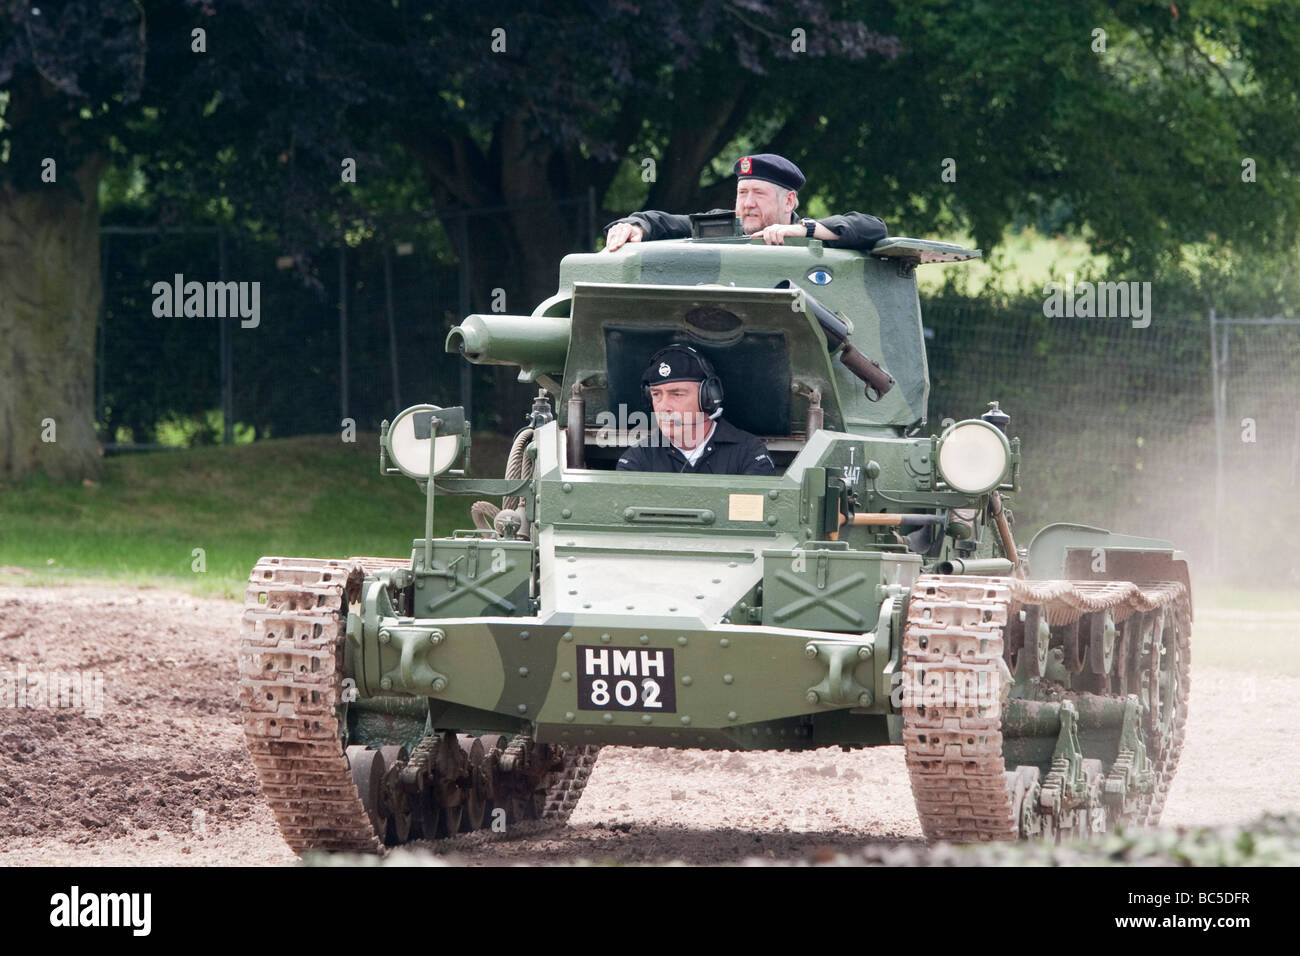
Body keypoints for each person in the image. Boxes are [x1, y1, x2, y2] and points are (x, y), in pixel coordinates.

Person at [603, 153, 887, 252]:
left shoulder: (810, 235)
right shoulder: (725, 227)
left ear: (789, 201)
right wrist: (635, 225)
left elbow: (874, 228)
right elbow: (667, 223)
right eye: (742, 193)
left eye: (758, 194)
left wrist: (805, 231)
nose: (747, 203)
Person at [617, 344, 775, 475]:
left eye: (677, 394)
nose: (663, 406)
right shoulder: (637, 459)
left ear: (707, 398)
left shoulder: (749, 454)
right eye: (656, 394)